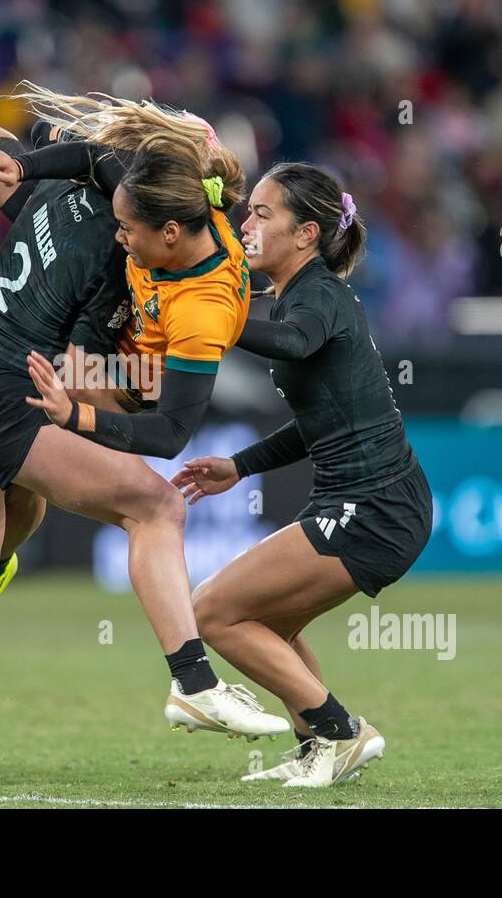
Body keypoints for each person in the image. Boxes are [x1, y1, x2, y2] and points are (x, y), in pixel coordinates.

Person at [0, 46, 287, 795]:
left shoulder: (67, 189)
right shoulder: (128, 250)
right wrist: (130, 387)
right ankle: (194, 681)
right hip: (6, 390)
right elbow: (93, 379)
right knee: (155, 504)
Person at [170, 163, 433, 788]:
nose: (246, 224)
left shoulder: (317, 297)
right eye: (248, 212)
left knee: (210, 613)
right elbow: (319, 422)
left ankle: (342, 733)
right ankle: (318, 744)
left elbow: (293, 341)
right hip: (370, 502)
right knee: (270, 626)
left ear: (307, 233)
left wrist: (217, 322)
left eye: (263, 214)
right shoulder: (302, 295)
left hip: (372, 507)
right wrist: (241, 465)